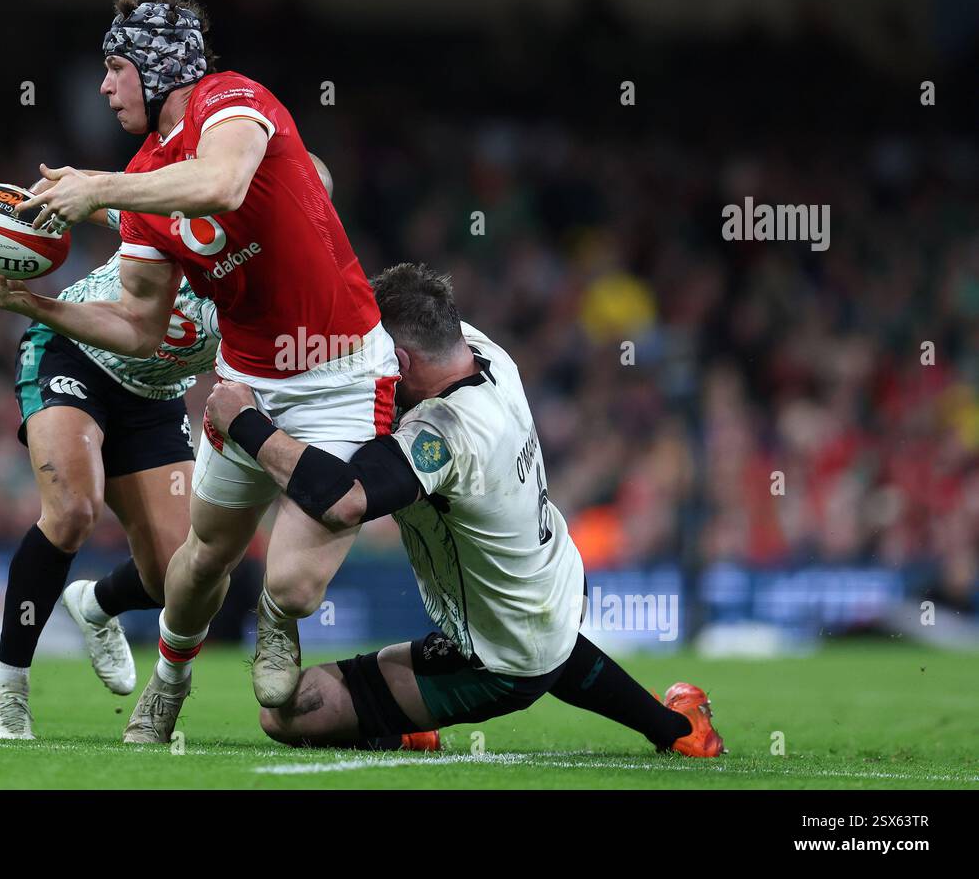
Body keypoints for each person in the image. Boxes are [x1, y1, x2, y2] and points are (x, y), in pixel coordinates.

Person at [0, 0, 401, 744]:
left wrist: (98, 187)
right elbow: (136, 329)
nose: (103, 86)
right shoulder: (142, 187)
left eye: (115, 68)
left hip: (335, 377)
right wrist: (34, 305)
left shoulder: (235, 100)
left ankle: (261, 622)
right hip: (221, 382)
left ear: (160, 69)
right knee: (145, 546)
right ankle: (123, 689)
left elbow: (222, 183)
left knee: (255, 582)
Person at [204, 264, 725, 757]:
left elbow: (346, 502)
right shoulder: (476, 346)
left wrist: (246, 422)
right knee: (541, 635)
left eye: (374, 358)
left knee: (289, 713)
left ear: (401, 361)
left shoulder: (447, 434)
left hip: (497, 660)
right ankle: (679, 731)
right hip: (555, 585)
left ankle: (399, 728)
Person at [0, 152, 338, 740]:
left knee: (185, 577)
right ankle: (8, 689)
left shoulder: (292, 293)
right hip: (74, 353)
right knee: (72, 511)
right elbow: (70, 191)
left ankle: (95, 605)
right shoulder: (192, 220)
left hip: (155, 396)